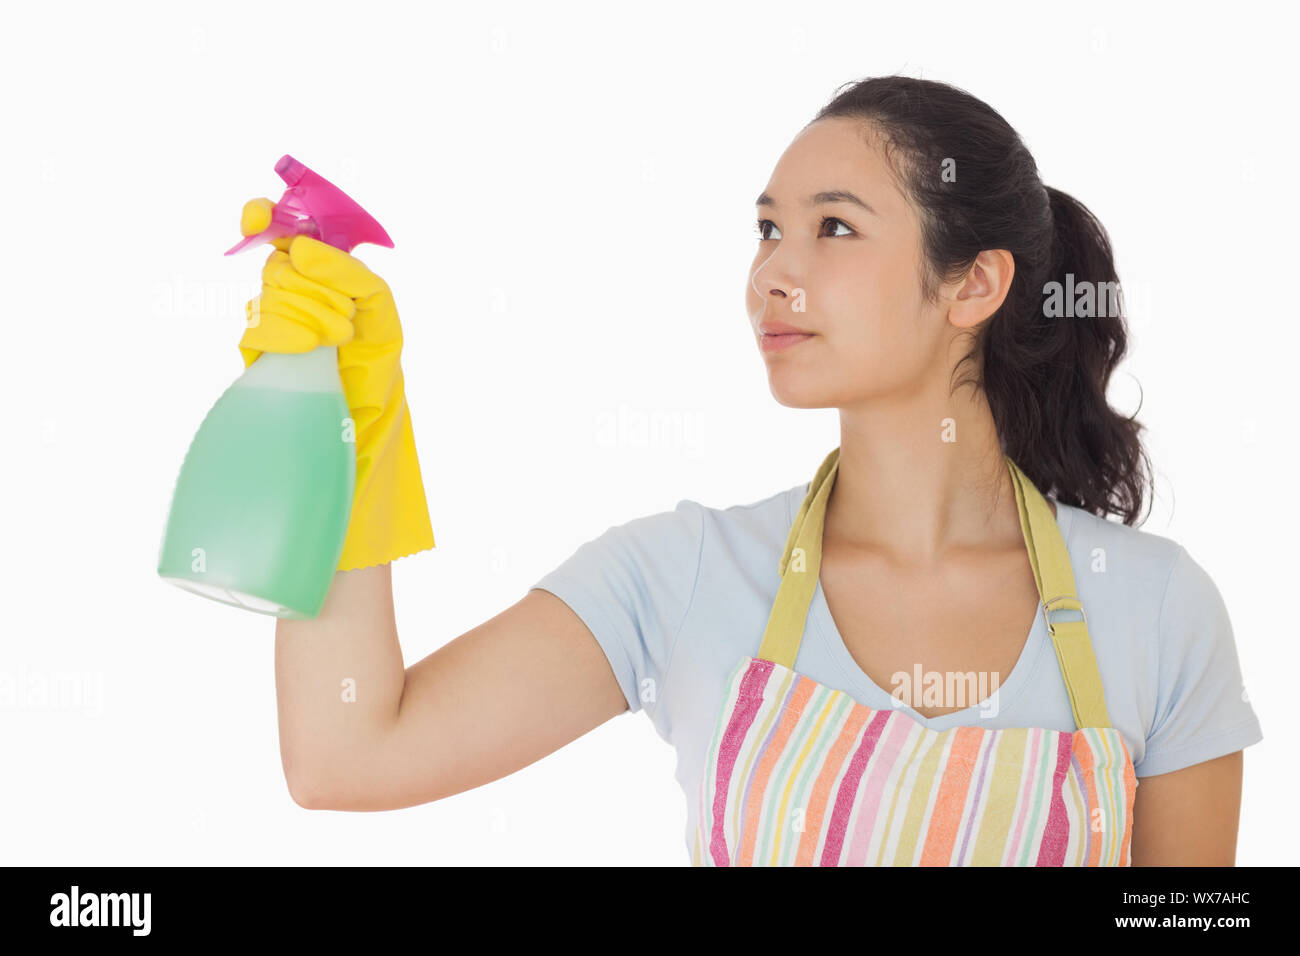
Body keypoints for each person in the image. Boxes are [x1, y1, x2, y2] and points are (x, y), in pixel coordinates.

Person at [252, 75, 1262, 866]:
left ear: (973, 284)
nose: (773, 273)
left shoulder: (1154, 609)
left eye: (834, 227)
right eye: (768, 229)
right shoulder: (682, 576)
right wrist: (342, 435)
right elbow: (347, 753)